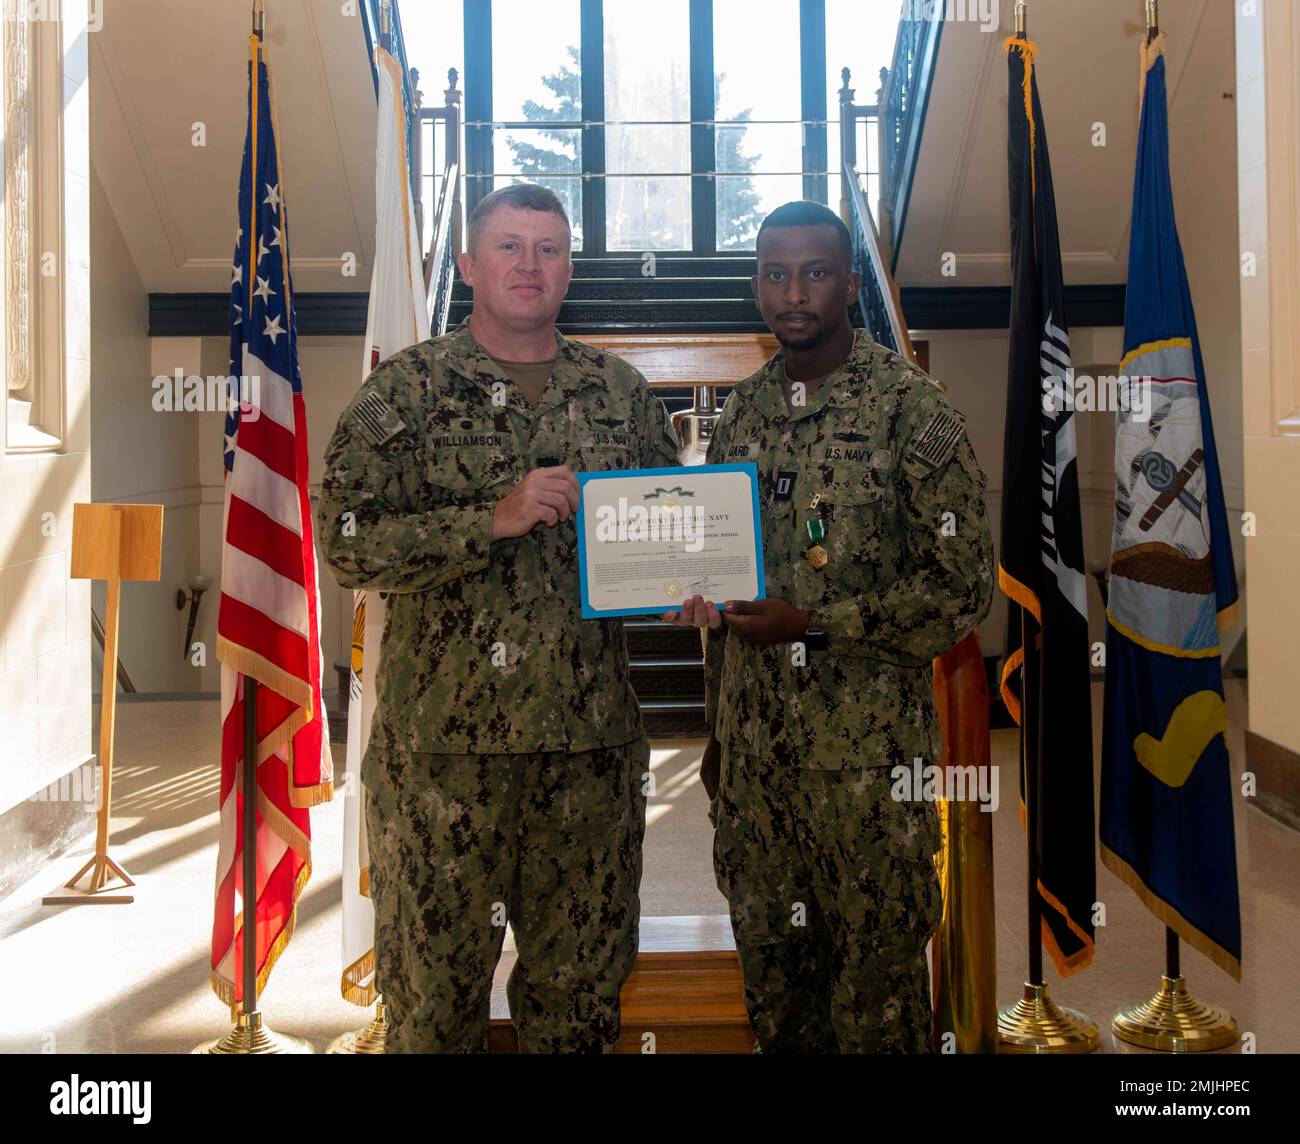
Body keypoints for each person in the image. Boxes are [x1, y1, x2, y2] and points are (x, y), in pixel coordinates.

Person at [317, 182, 680, 1053]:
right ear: (471, 264)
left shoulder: (621, 395)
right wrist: (489, 518)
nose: (531, 265)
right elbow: (345, 538)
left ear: (569, 269)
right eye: (511, 247)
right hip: (442, 761)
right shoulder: (406, 391)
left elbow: (672, 532)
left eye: (549, 249)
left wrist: (688, 584)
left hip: (587, 757)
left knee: (581, 1003)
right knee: (434, 1008)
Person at [666, 200, 994, 1053]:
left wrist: (816, 627)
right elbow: (726, 567)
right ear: (756, 287)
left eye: (815, 272)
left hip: (869, 772)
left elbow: (962, 586)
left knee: (876, 996)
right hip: (754, 768)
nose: (793, 292)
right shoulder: (739, 414)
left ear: (850, 283)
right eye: (775, 274)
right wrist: (702, 612)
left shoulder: (914, 412)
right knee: (777, 991)